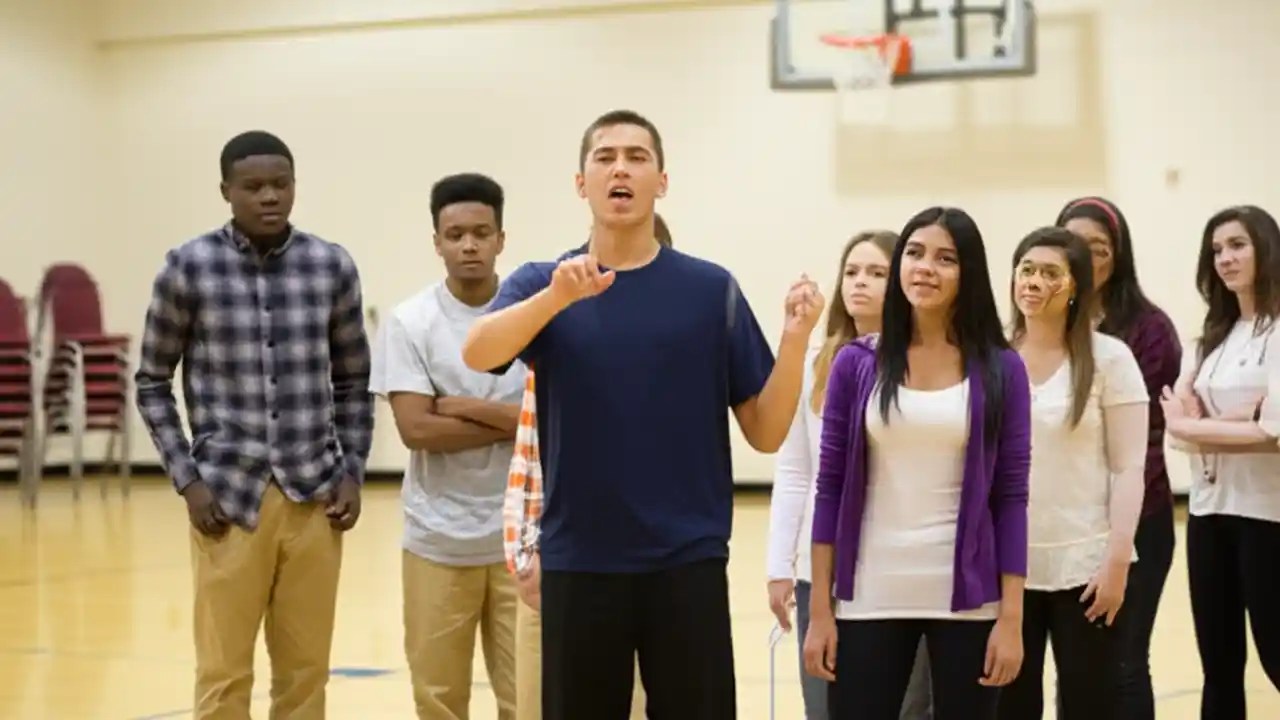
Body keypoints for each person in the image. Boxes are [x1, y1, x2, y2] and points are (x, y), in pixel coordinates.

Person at [462, 108, 824, 719]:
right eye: (605, 158)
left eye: (636, 157)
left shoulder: (711, 291)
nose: (620, 169)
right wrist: (557, 296)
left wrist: (794, 341)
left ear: (662, 180)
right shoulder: (543, 282)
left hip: (688, 561)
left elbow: (764, 432)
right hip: (580, 562)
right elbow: (479, 351)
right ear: (582, 183)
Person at [134, 130, 373, 719]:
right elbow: (150, 382)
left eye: (281, 184)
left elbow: (353, 383)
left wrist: (353, 471)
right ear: (226, 192)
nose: (270, 196)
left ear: (295, 186)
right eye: (254, 186)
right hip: (228, 502)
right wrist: (189, 481)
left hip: (314, 498)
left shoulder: (331, 266)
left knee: (306, 673)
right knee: (223, 673)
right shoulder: (187, 267)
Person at [804, 206, 1029, 720]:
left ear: (967, 273)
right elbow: (830, 488)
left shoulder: (1002, 370)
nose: (925, 267)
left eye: (945, 258)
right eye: (914, 253)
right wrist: (822, 610)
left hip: (970, 602)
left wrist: (1011, 618)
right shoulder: (855, 364)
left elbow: (1011, 497)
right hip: (870, 593)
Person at [504, 213, 675, 720]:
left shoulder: (672, 362)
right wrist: (524, 551)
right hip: (557, 564)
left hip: (648, 573)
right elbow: (529, 458)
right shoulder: (560, 338)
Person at [369, 173, 524, 719]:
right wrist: (515, 420)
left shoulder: (531, 316)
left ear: (501, 238)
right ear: (436, 241)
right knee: (438, 700)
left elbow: (556, 423)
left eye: (481, 233)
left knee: (527, 699)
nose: (469, 245)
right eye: (455, 234)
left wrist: (468, 406)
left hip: (522, 542)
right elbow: (418, 431)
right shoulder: (412, 322)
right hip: (437, 540)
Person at [766, 230, 934, 720]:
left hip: (898, 569)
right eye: (852, 271)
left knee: (907, 707)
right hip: (819, 569)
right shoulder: (816, 363)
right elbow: (795, 470)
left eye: (877, 273)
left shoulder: (927, 367)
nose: (860, 283)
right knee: (824, 705)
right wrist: (780, 566)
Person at [996, 227, 1148, 720]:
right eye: (1027, 270)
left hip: (1084, 568)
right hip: (1005, 570)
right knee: (1009, 705)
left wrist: (1116, 562)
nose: (1034, 282)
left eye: (1050, 273)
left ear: (1075, 286)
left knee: (1090, 704)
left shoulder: (1110, 358)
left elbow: (1129, 468)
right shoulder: (991, 356)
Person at [1053, 197, 1181, 719]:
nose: (1085, 256)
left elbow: (1139, 443)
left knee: (1125, 661)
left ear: (1117, 257)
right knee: (1075, 667)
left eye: (1098, 248)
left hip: (1136, 520)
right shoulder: (1038, 322)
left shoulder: (1149, 329)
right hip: (1062, 524)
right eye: (1073, 245)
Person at [1162, 205, 1280, 719]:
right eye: (1217, 250)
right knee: (1220, 664)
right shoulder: (1208, 339)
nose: (1226, 258)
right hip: (1209, 513)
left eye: (1237, 245)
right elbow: (1181, 436)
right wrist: (1235, 422)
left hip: (1268, 515)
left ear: (1266, 249)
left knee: (1276, 657)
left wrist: (1197, 425)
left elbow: (1273, 435)